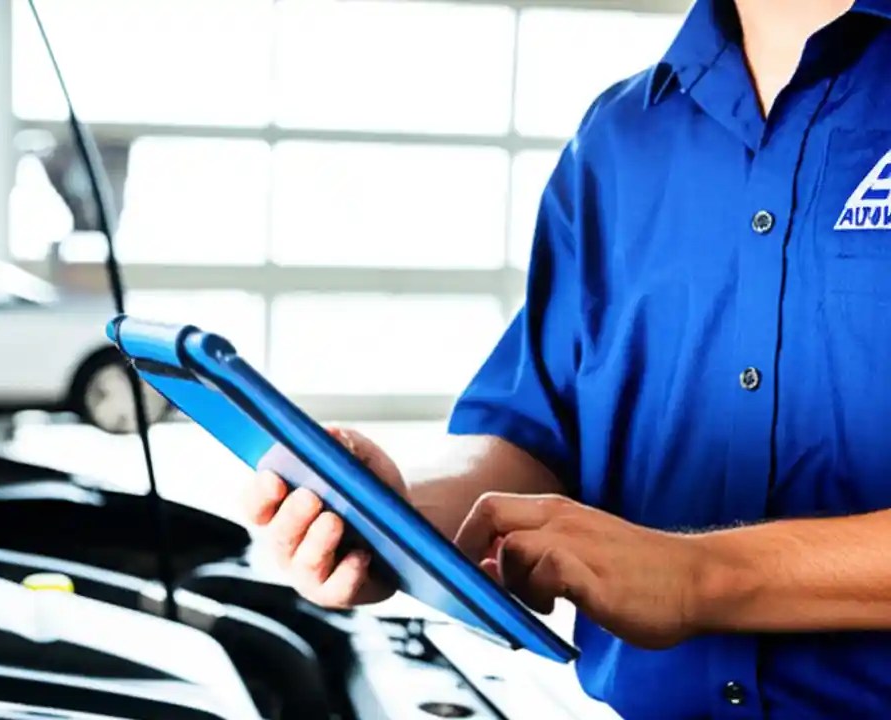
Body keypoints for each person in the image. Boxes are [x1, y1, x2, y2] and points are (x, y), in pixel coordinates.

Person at [243, 0, 891, 717]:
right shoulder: (621, 139)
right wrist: (390, 514)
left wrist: (694, 577)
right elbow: (533, 439)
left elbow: (678, 571)